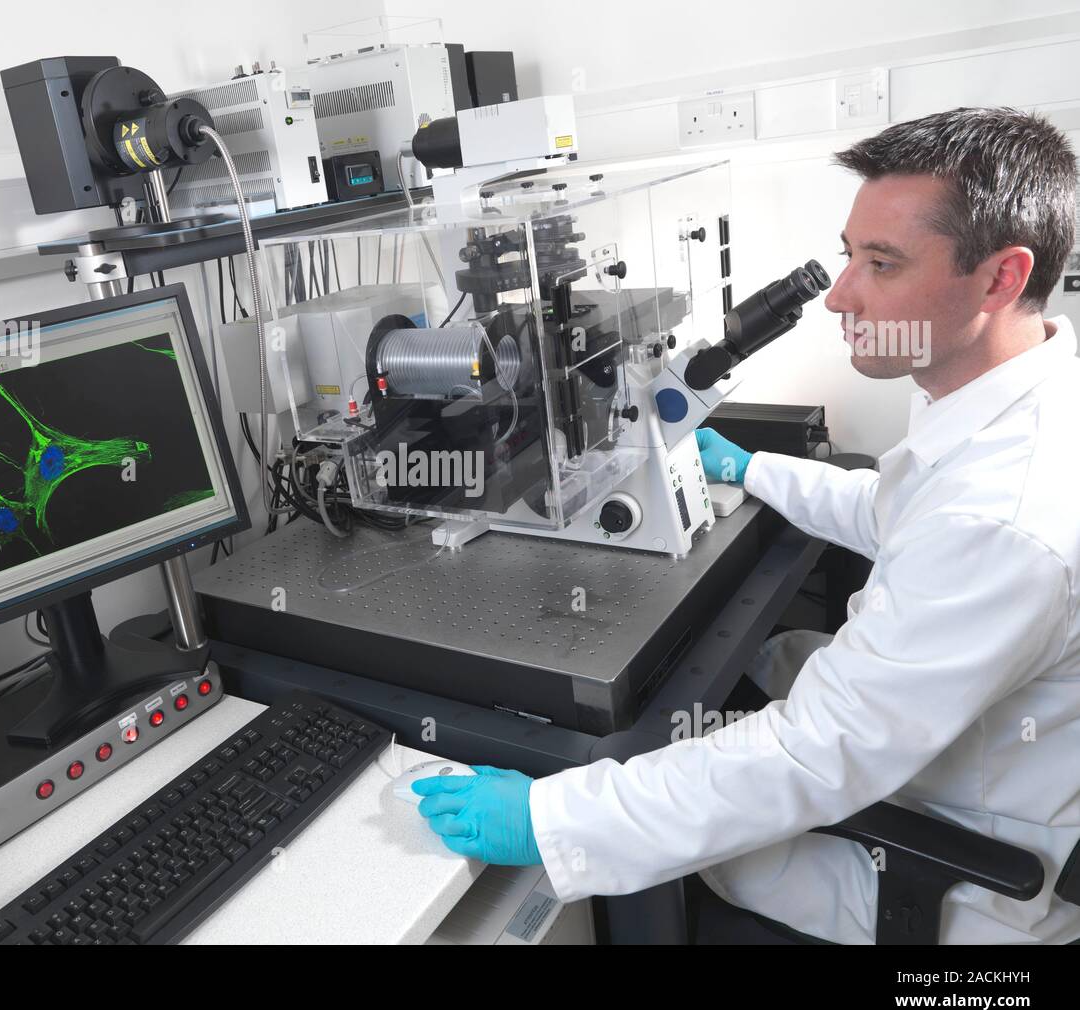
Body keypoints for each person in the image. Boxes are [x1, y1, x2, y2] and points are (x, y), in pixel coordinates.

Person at [413, 106, 1080, 943]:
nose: (841, 294)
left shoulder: (1005, 514)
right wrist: (751, 466)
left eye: (882, 262)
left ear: (998, 279)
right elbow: (895, 515)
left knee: (658, 799)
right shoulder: (1024, 403)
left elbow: (812, 756)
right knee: (736, 678)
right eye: (848, 255)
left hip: (949, 874)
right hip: (948, 759)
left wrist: (551, 816)